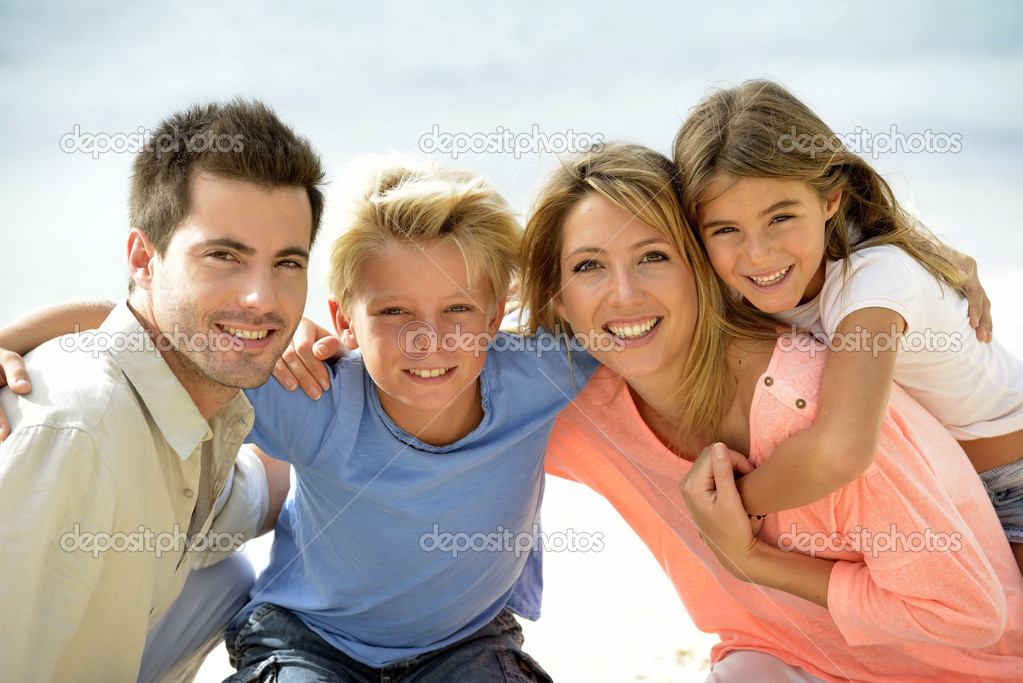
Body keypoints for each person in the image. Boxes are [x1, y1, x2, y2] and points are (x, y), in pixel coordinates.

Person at [520, 141, 1023, 681]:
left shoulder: (812, 403)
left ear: (703, 271)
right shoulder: (572, 403)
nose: (623, 295)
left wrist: (751, 553)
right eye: (589, 266)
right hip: (779, 658)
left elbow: (970, 614)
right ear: (557, 298)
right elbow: (433, 391)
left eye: (653, 257)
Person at [0, 99, 324, 682]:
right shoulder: (79, 428)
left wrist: (372, 391)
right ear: (144, 258)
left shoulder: (193, 413)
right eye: (224, 255)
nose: (263, 300)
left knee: (226, 577)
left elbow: (255, 495)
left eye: (287, 263)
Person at [673, 79, 1023, 571]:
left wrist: (732, 506)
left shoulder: (874, 283)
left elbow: (841, 451)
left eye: (781, 218)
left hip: (1009, 488)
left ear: (831, 200)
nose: (758, 253)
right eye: (726, 229)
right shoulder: (741, 281)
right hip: (929, 491)